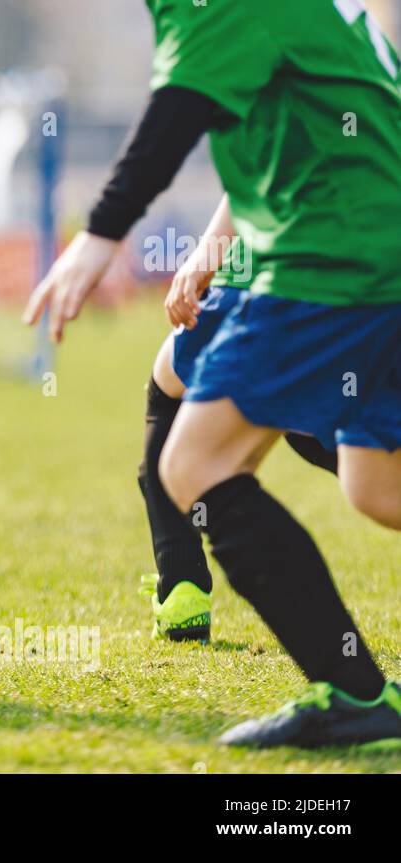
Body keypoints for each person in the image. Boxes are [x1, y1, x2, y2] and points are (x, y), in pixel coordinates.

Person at [25, 0, 401, 747]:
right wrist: (211, 246)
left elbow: (181, 108)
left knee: (196, 461)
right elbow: (289, 116)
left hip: (335, 256)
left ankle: (356, 695)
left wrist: (99, 235)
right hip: (366, 245)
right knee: (376, 483)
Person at [137, 198, 339, 643]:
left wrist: (204, 258)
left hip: (273, 280)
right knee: (317, 432)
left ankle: (181, 588)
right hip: (354, 286)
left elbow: (256, 172)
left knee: (169, 400)